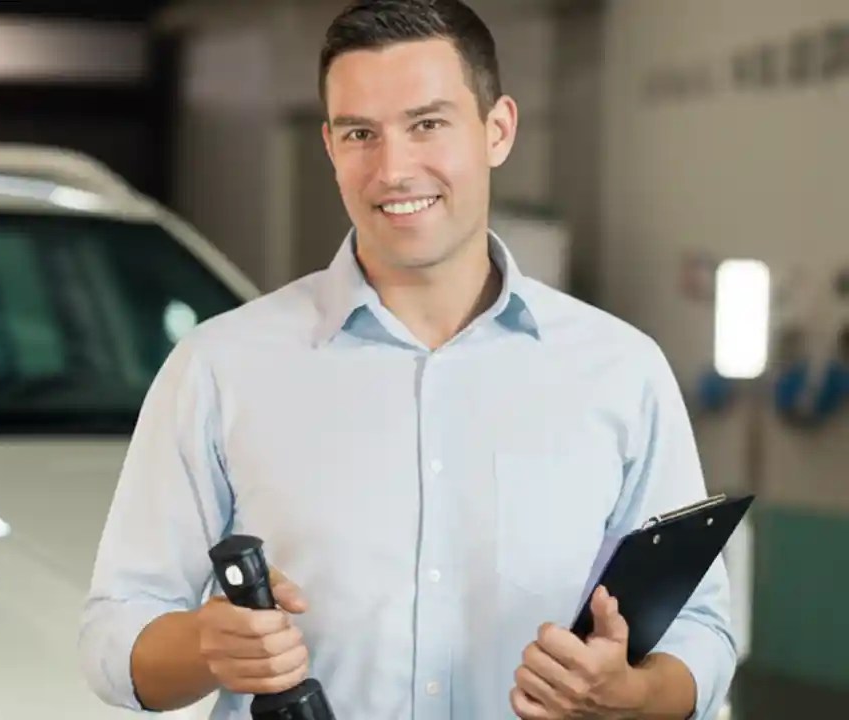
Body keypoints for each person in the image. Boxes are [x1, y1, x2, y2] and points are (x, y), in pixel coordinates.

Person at [78, 0, 737, 718]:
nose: (393, 169)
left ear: (497, 130)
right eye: (361, 133)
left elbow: (701, 628)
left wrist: (634, 695)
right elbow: (116, 631)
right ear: (330, 147)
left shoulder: (620, 370)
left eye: (427, 124)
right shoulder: (220, 367)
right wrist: (206, 647)